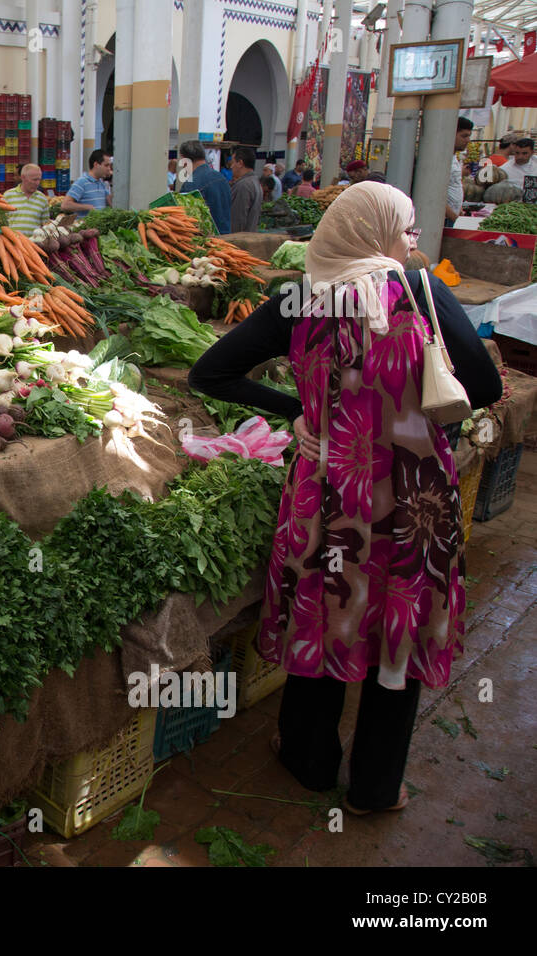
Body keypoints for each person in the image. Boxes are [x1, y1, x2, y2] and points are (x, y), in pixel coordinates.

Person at [188, 182, 502, 813]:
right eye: (406, 227)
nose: (413, 239)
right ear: (375, 231)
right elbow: (486, 385)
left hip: (328, 492)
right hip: (415, 500)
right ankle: (376, 788)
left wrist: (303, 411)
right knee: (399, 623)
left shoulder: (299, 300)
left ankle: (308, 761)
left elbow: (210, 373)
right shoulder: (421, 294)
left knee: (324, 613)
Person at [178, 139, 232, 234]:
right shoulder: (222, 178)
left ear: (184, 160)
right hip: (226, 240)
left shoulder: (190, 185)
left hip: (206, 241)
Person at [3, 163, 52, 236]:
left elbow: (45, 225)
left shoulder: (42, 199)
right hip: (12, 243)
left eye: (39, 179)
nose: (37, 183)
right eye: (34, 180)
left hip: (34, 244)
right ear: (23, 177)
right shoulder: (8, 196)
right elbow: (1, 222)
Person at [61, 149, 112, 218]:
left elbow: (110, 203)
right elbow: (65, 205)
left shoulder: (101, 183)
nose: (109, 169)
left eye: (110, 166)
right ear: (96, 164)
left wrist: (113, 180)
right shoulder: (82, 182)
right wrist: (88, 207)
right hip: (85, 227)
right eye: (106, 165)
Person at [229, 145, 262, 233]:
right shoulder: (255, 181)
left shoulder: (243, 185)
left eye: (232, 163)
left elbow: (238, 220)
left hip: (240, 240)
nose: (231, 167)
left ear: (240, 163)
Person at [446, 116, 473, 226]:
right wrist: (454, 218)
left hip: (452, 217)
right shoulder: (442, 161)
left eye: (469, 136)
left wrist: (459, 209)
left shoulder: (454, 157)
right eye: (464, 136)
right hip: (445, 219)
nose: (467, 140)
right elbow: (435, 195)